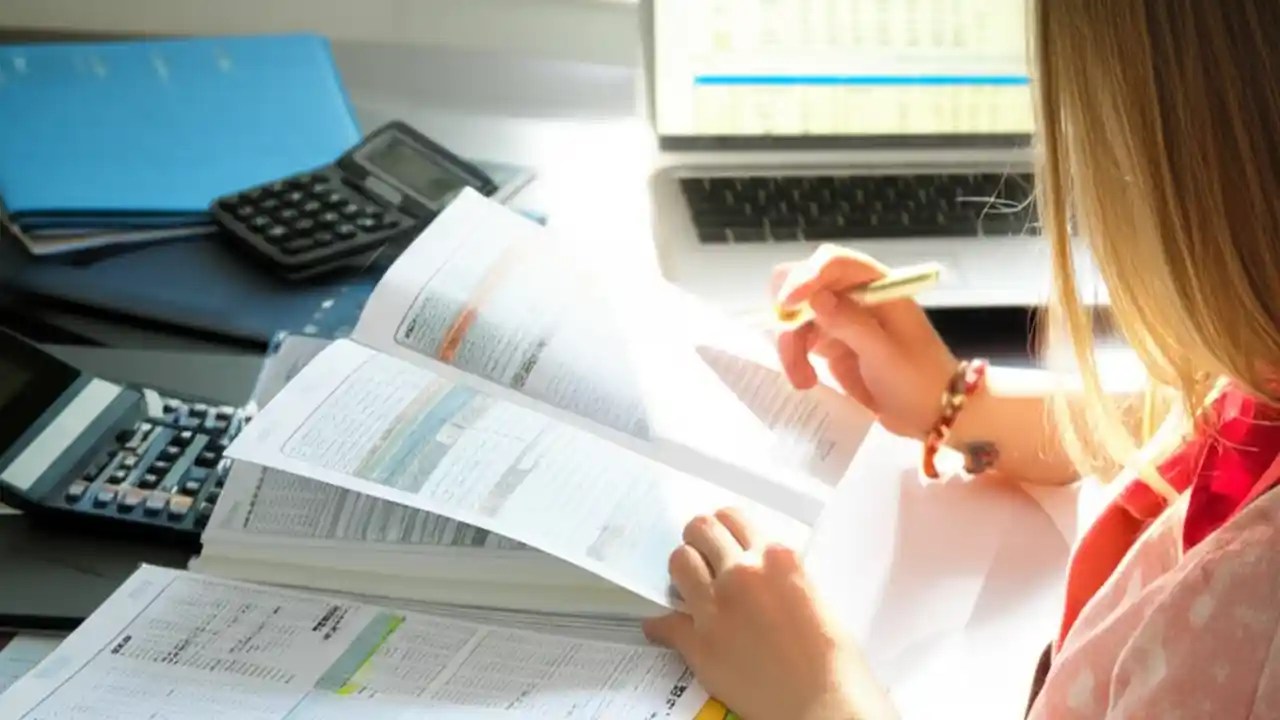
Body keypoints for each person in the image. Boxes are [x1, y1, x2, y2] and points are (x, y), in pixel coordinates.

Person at [642, 1, 1280, 718]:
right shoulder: (1262, 367)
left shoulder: (1249, 606)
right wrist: (955, 403)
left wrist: (819, 693)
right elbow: (1197, 431)